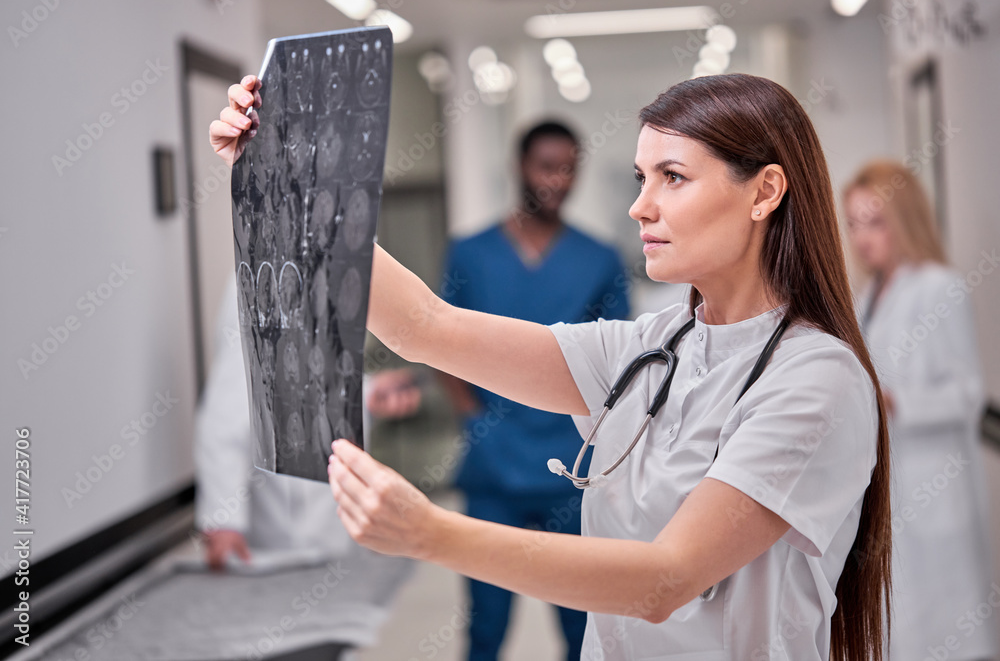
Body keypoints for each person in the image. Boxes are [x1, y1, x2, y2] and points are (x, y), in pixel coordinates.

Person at [212, 72, 892, 661]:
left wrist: (429, 532)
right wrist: (284, 176)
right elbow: (425, 326)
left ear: (764, 191)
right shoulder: (650, 345)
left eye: (673, 177)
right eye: (640, 178)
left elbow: (665, 577)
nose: (639, 205)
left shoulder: (816, 380)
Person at [437, 120, 630, 660]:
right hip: (493, 471)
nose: (558, 180)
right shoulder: (470, 254)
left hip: (571, 471)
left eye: (569, 168)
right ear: (519, 167)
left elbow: (619, 364)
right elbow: (440, 344)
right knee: (484, 630)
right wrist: (474, 420)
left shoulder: (600, 260)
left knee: (582, 630)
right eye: (547, 166)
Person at [194, 277, 417, 658]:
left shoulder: (335, 279)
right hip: (284, 533)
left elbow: (314, 383)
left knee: (331, 639)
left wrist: (368, 393)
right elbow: (227, 413)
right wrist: (224, 519)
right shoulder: (261, 283)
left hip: (328, 530)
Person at [844, 160, 997, 661]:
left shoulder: (938, 286)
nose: (863, 238)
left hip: (935, 480)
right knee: (900, 623)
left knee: (947, 626)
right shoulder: (869, 295)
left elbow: (967, 394)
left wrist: (896, 400)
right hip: (893, 481)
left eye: (876, 222)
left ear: (905, 218)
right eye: (854, 224)